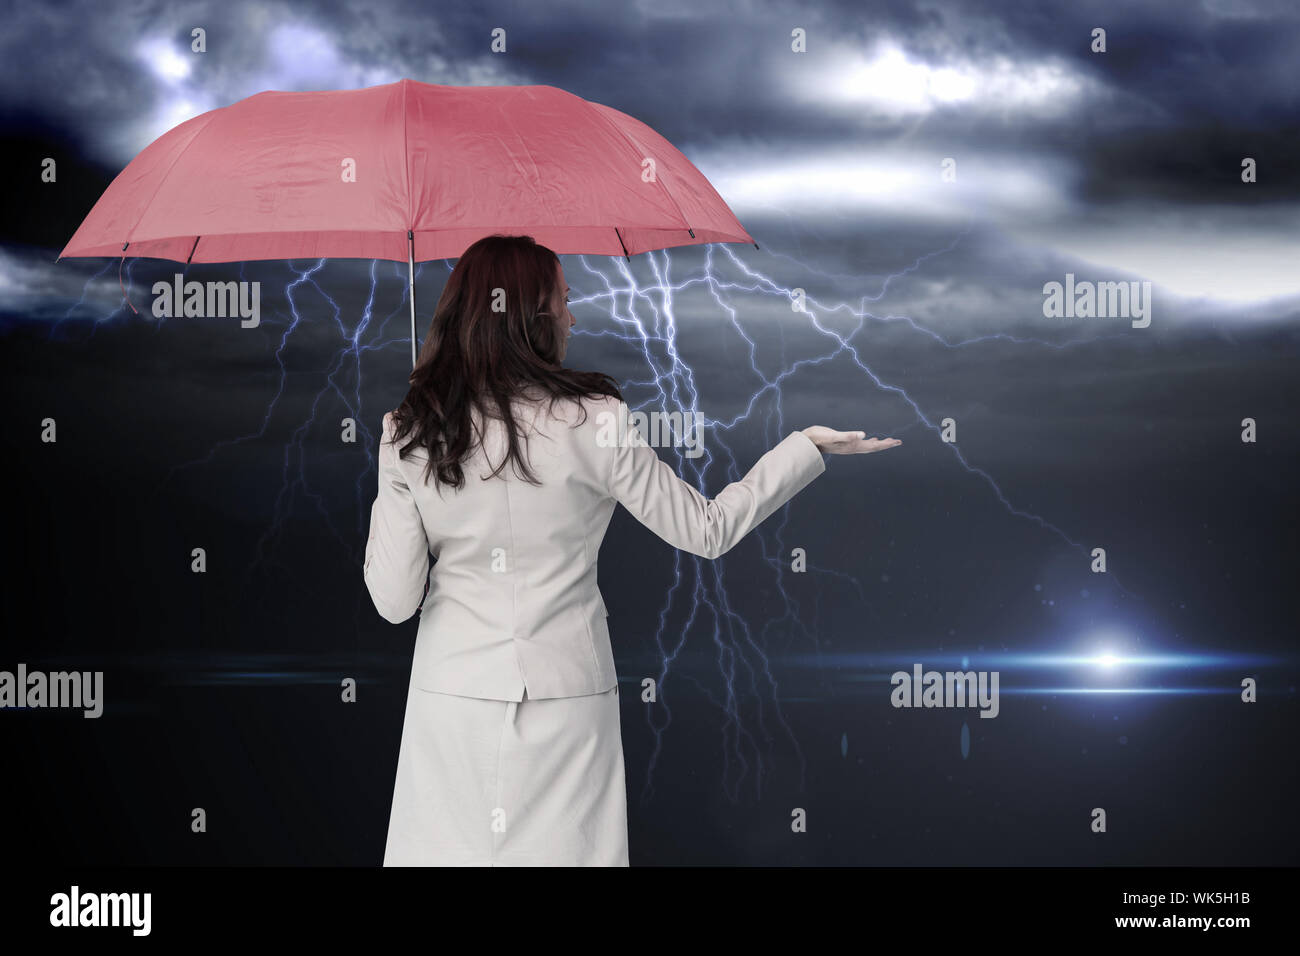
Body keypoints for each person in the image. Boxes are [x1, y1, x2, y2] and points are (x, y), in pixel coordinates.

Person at [363, 234, 901, 866]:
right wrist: (802, 449)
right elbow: (707, 530)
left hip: (450, 700)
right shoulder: (597, 421)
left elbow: (394, 602)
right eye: (563, 299)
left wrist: (398, 471)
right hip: (567, 701)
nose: (572, 314)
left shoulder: (410, 433)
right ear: (531, 315)